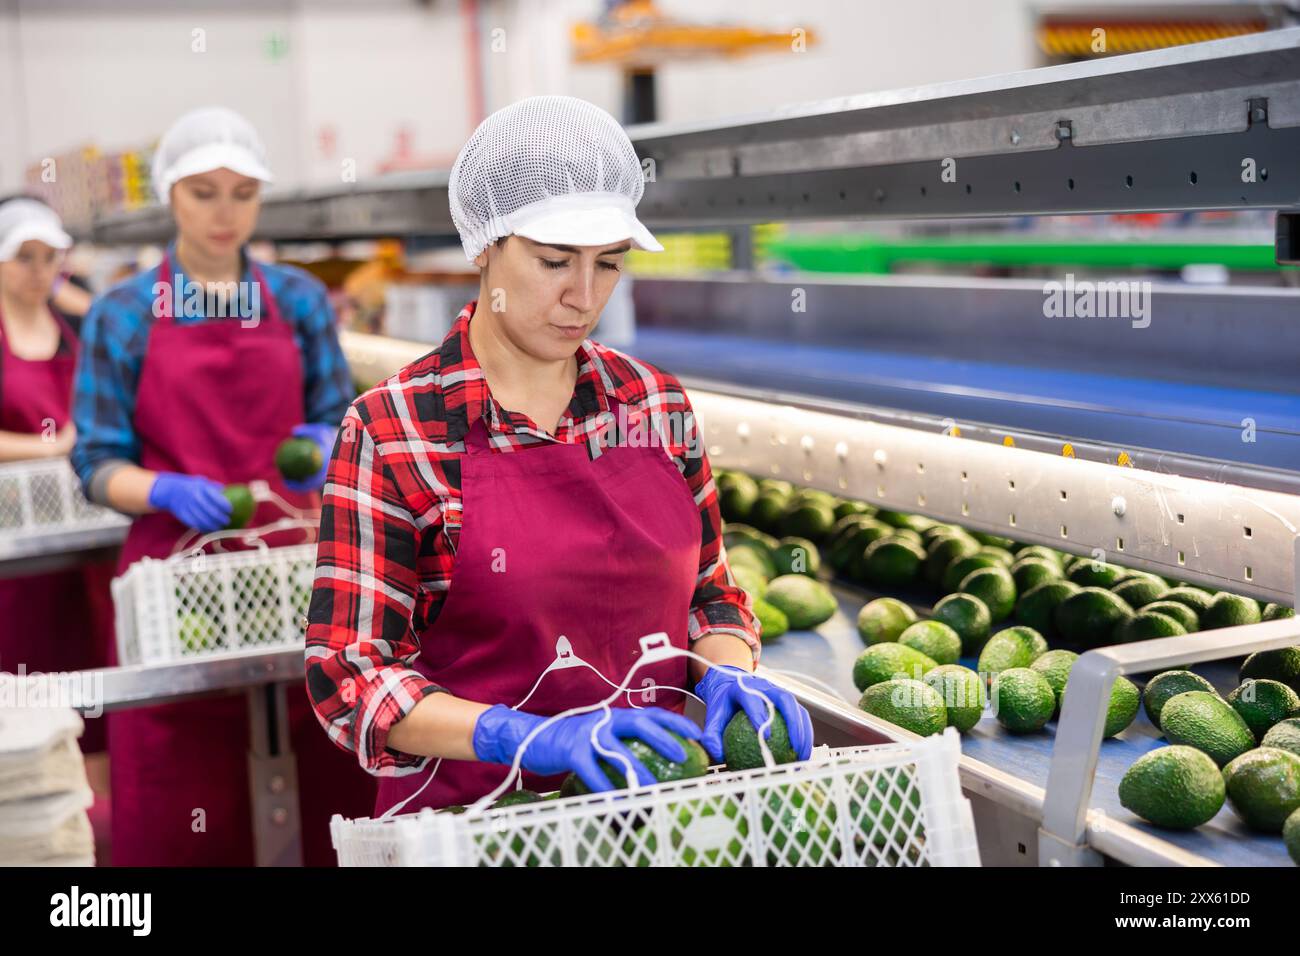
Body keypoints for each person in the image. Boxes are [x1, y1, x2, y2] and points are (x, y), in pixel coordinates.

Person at [306, 95, 813, 815]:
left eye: (609, 264)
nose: (583, 296)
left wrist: (730, 669)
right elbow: (350, 679)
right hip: (473, 827)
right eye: (553, 261)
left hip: (657, 815)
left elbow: (710, 594)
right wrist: (519, 736)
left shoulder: (655, 407)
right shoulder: (395, 430)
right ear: (484, 244)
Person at [71, 106, 374, 865]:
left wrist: (324, 437)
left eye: (242, 193)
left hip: (291, 559)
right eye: (204, 192)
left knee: (322, 768)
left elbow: (336, 416)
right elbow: (97, 465)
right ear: (171, 194)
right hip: (173, 578)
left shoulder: (299, 300)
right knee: (186, 784)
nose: (224, 212)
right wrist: (167, 489)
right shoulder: (121, 315)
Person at [0, 198, 115, 741]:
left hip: (87, 533)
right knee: (28, 688)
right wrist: (45, 449)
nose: (39, 270)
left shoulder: (76, 326)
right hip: (16, 550)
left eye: (51, 257)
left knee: (93, 688)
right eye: (25, 256)